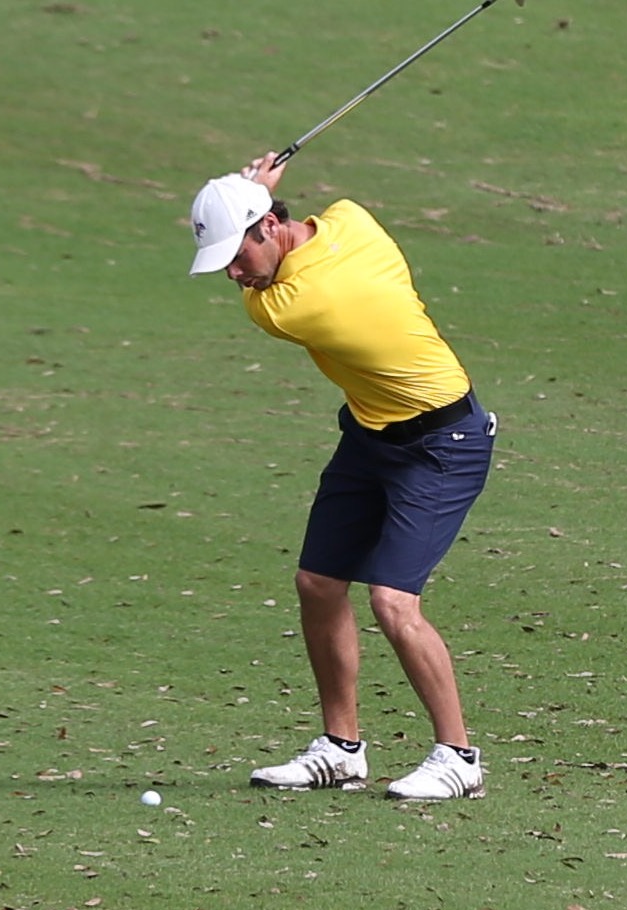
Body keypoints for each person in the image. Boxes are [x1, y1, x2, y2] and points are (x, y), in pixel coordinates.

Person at [187, 152, 497, 800]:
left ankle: (459, 756)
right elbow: (304, 235)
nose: (235, 276)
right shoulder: (353, 219)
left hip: (444, 443)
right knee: (318, 582)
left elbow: (268, 295)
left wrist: (253, 189)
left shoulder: (296, 305)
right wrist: (254, 195)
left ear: (268, 228)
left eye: (237, 258)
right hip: (371, 433)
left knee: (392, 602)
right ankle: (342, 749)